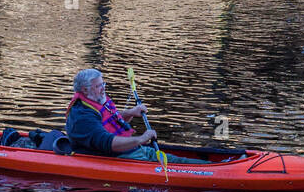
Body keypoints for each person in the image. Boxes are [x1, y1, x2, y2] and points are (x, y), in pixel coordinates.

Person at [64, 68, 207, 163]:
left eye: (103, 84)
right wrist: (142, 138)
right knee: (178, 163)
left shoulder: (94, 100)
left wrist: (130, 112)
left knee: (181, 161)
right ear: (85, 89)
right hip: (120, 158)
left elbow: (110, 121)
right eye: (99, 86)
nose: (103, 89)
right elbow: (108, 142)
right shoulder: (82, 116)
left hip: (131, 151)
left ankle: (216, 165)